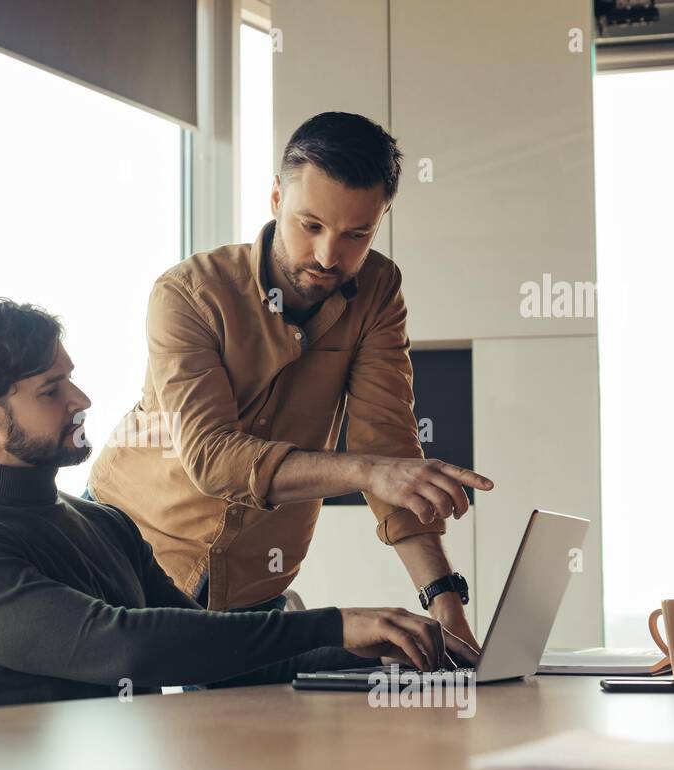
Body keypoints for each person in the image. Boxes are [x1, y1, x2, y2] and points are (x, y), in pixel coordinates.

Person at [0, 297, 458, 714]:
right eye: (51, 390)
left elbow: (216, 655)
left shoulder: (103, 523)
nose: (81, 400)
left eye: (70, 379)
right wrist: (331, 626)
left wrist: (378, 648)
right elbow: (125, 645)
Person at [88, 112, 492, 662]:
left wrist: (447, 604)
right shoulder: (188, 294)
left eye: (357, 235)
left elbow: (390, 450)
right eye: (311, 225)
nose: (330, 256)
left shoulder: (377, 289)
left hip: (255, 585)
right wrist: (367, 470)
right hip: (132, 563)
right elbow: (212, 458)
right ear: (277, 197)